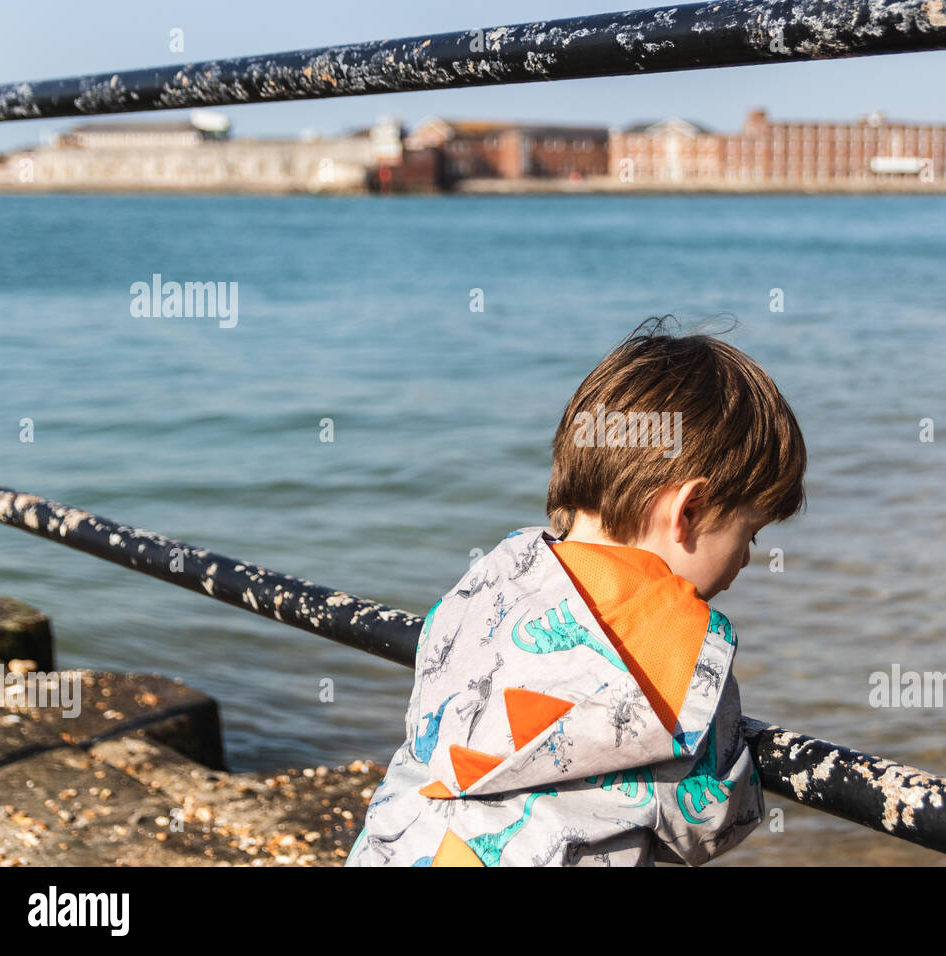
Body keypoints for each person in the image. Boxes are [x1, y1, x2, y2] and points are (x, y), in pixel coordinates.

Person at [345, 317, 807, 866]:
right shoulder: (681, 639)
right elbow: (706, 822)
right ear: (690, 510)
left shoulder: (493, 577)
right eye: (748, 534)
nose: (746, 559)